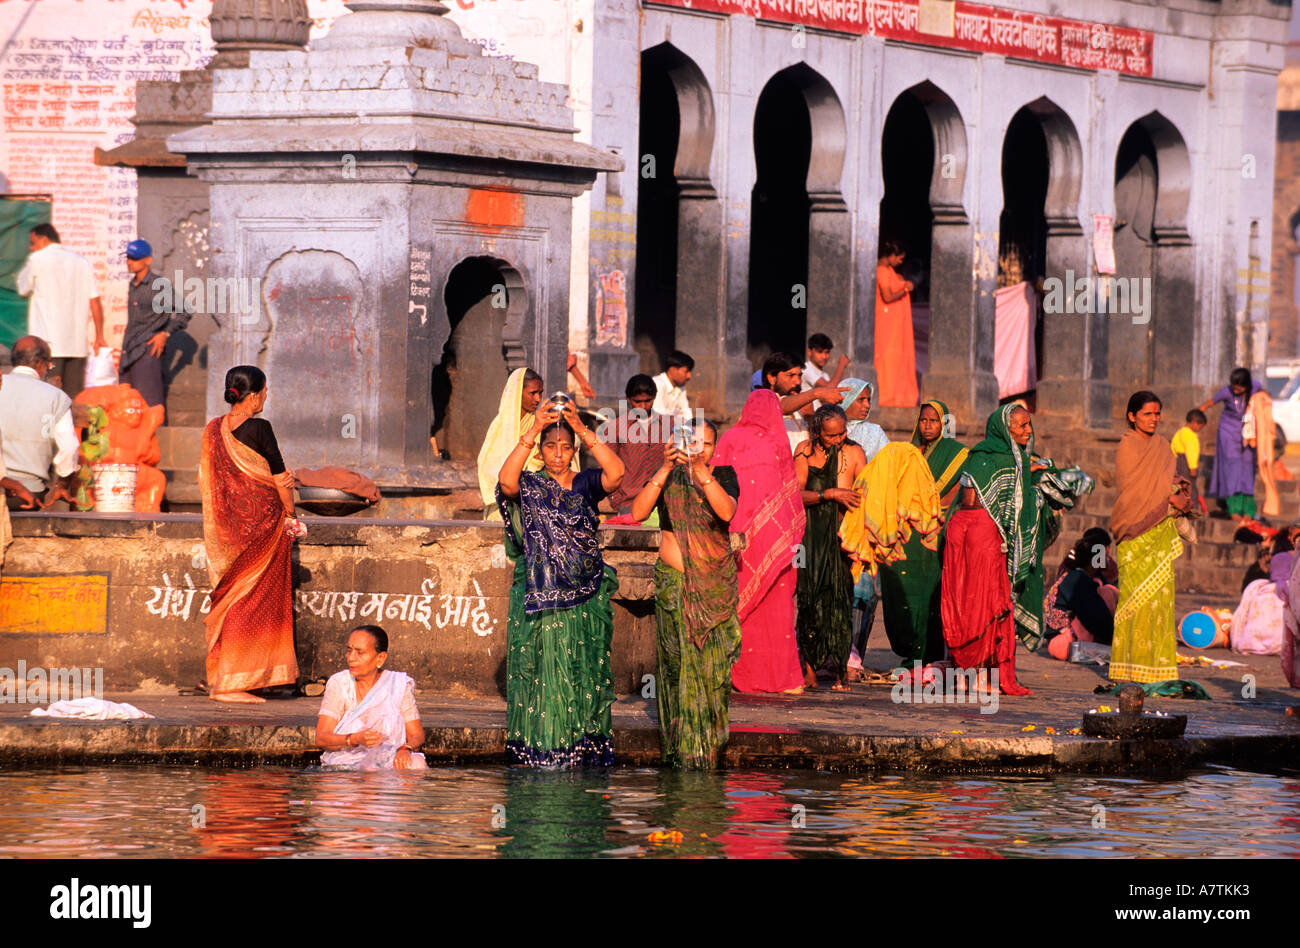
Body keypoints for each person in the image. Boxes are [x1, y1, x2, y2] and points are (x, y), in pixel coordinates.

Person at [496, 396, 625, 767]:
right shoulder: (531, 484)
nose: (558, 454)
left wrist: (584, 430)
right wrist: (534, 428)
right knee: (544, 668)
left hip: (585, 592)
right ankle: (543, 745)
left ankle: (581, 745)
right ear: (541, 449)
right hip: (541, 593)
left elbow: (616, 475)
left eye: (565, 447)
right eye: (551, 447)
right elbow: (506, 483)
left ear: (573, 450)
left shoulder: (585, 483)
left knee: (580, 667)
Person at [630, 419, 741, 768]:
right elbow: (638, 512)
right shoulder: (668, 476)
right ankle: (679, 750)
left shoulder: (722, 474)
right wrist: (665, 467)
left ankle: (705, 751)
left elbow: (726, 512)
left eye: (706, 444)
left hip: (712, 589)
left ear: (714, 447)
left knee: (711, 671)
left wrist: (700, 469)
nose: (699, 449)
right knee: (676, 667)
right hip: (673, 587)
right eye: (692, 443)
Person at [199, 365, 302, 703]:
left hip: (229, 537)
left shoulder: (214, 430)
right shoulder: (260, 427)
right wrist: (291, 515)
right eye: (266, 391)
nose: (267, 397)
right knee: (251, 603)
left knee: (236, 600)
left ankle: (224, 677)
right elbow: (279, 477)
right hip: (264, 533)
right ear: (255, 395)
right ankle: (231, 685)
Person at [940, 404, 1044, 695]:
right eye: (1021, 425)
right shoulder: (1015, 459)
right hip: (985, 533)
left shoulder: (978, 454)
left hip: (958, 529)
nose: (1027, 431)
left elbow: (962, 495)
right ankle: (986, 677)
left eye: (1028, 425)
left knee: (962, 598)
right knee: (991, 600)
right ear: (1004, 428)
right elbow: (1016, 509)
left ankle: (964, 674)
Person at [712, 389, 806, 694]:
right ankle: (784, 679)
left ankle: (740, 676)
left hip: (737, 534)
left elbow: (714, 480)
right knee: (777, 611)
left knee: (741, 602)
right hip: (774, 541)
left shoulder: (728, 438)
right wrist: (790, 538)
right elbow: (791, 496)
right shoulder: (779, 442)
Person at [877, 400, 968, 666]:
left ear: (944, 424)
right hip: (907, 532)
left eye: (934, 421)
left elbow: (962, 489)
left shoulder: (958, 453)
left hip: (934, 532)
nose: (927, 426)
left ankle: (927, 654)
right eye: (923, 420)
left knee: (929, 591)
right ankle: (909, 649)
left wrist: (934, 507)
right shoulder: (908, 452)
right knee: (902, 587)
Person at [1109, 391, 1190, 684]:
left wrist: (1179, 493)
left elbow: (1169, 479)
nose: (1154, 419)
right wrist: (1169, 499)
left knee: (1160, 602)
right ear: (1132, 416)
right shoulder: (1127, 447)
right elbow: (1134, 493)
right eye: (1147, 414)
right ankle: (1127, 668)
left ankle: (1159, 670)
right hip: (1133, 533)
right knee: (1133, 602)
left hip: (1159, 533)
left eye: (1157, 414)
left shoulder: (1163, 446)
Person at [794, 405, 866, 690]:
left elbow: (866, 491)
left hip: (841, 539)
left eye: (842, 433)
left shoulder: (855, 453)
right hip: (810, 536)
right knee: (810, 601)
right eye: (831, 436)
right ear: (817, 432)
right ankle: (809, 671)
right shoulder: (804, 452)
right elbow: (796, 494)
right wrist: (830, 493)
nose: (838, 440)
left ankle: (840, 673)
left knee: (839, 602)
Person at [316, 625, 427, 770]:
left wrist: (405, 749)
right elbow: (321, 738)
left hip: (388, 757)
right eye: (349, 651)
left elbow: (417, 734)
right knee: (370, 768)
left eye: (359, 653)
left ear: (380, 658)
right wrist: (353, 739)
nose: (351, 658)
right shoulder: (339, 683)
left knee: (417, 763)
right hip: (346, 762)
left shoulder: (398, 684)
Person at [15, 224, 105, 398]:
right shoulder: (81, 262)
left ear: (44, 240)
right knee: (73, 400)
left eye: (32, 243)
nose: (30, 248)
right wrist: (99, 336)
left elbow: (22, 289)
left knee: (49, 400)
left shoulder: (37, 259)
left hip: (48, 347)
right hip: (77, 347)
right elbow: (95, 301)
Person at [0, 336, 79, 509]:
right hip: (29, 494)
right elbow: (69, 448)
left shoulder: (1, 384)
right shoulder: (56, 397)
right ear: (40, 363)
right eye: (49, 366)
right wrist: (63, 485)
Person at [118, 239, 191, 412]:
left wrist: (164, 334)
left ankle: (158, 439)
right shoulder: (132, 285)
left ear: (148, 261)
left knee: (150, 407)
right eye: (128, 257)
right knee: (128, 407)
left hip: (147, 352)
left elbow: (185, 311)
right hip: (129, 352)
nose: (129, 262)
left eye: (134, 258)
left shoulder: (159, 285)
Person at [477, 367, 545, 521]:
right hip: (502, 504)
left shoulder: (539, 424)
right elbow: (489, 468)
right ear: (517, 393)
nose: (538, 399)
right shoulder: (500, 426)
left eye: (540, 393)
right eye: (533, 393)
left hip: (532, 505)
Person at [600, 374, 670, 520]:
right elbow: (608, 466)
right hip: (627, 501)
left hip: (662, 502)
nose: (643, 406)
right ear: (628, 399)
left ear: (655, 397)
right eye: (638, 402)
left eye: (647, 401)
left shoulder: (669, 426)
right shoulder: (616, 428)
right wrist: (616, 498)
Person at [1043, 532, 1119, 660]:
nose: (1107, 559)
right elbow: (1097, 618)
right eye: (1103, 555)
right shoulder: (1077, 579)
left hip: (1067, 642)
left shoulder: (1086, 576)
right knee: (1108, 593)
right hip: (1064, 643)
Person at [1198, 367, 1261, 523]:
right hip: (1228, 434)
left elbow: (1264, 402)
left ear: (1247, 385)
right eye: (1234, 386)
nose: (1236, 389)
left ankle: (1248, 511)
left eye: (1239, 387)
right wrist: (1199, 412)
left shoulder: (1256, 388)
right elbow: (1210, 402)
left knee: (1246, 469)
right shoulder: (1226, 391)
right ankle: (1233, 510)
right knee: (1231, 470)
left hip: (1247, 432)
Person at [762, 351, 848, 454]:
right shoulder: (762, 400)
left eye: (799, 376)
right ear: (771, 378)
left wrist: (810, 418)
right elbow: (779, 405)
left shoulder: (799, 406)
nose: (798, 382)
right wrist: (816, 393)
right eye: (791, 375)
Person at [874, 239, 918, 407]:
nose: (900, 262)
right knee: (886, 358)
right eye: (899, 258)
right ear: (891, 255)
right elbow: (887, 296)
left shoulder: (889, 271)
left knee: (896, 358)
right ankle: (887, 396)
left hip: (894, 324)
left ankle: (898, 396)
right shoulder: (882, 271)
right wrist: (904, 289)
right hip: (886, 323)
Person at [839, 377, 890, 462]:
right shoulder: (830, 428)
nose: (867, 405)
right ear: (846, 399)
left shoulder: (875, 432)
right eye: (861, 400)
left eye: (869, 400)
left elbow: (889, 462)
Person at [801, 332, 851, 410]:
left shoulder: (825, 375)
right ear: (809, 352)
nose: (824, 356)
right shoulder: (806, 368)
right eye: (820, 352)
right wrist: (841, 365)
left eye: (827, 352)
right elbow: (829, 388)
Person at [1171, 408, 1206, 516]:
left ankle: (1181, 509)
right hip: (1186, 463)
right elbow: (1191, 452)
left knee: (1180, 486)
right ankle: (1192, 509)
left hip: (1178, 461)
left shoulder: (1180, 432)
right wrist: (1193, 468)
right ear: (1195, 423)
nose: (1199, 429)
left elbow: (1172, 447)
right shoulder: (1191, 436)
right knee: (1190, 487)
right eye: (1200, 426)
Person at [653, 350, 694, 420]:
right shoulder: (657, 384)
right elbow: (659, 416)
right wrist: (677, 414)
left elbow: (687, 415)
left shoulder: (681, 387)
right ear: (672, 370)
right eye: (686, 371)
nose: (689, 376)